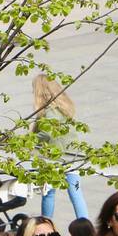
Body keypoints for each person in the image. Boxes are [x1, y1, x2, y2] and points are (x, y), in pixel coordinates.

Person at [31, 76, 87, 220]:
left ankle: (46, 222)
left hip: (53, 159)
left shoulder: (48, 112)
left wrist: (30, 141)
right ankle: (85, 223)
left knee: (48, 193)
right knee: (76, 192)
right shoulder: (64, 108)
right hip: (72, 156)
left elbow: (46, 133)